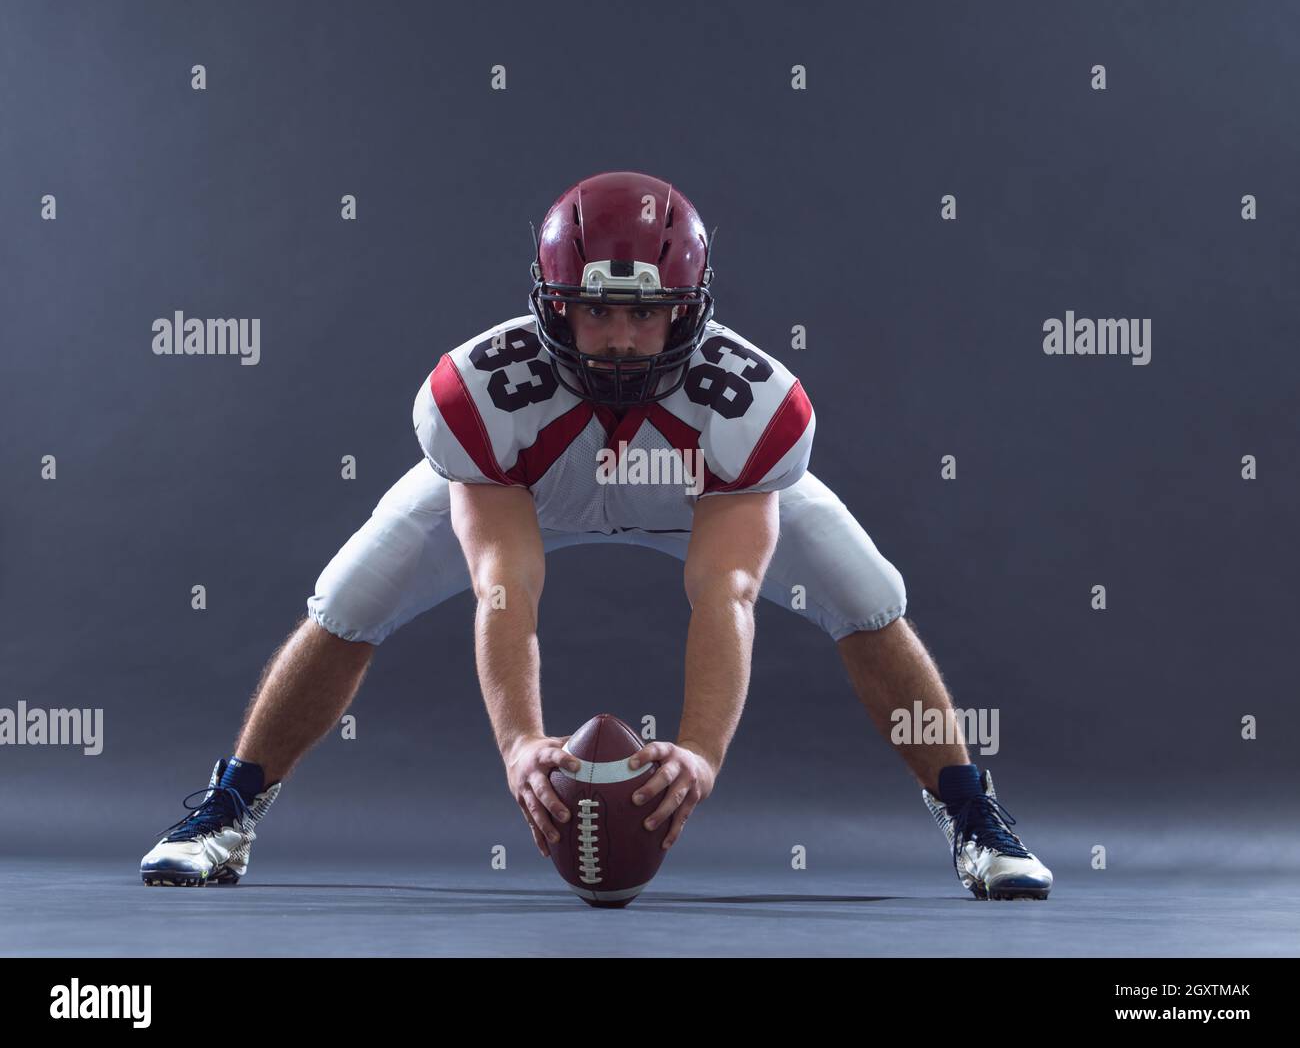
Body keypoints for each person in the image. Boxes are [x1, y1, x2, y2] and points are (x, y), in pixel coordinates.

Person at [141, 171, 1052, 901]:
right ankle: (227, 810)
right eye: (598, 310)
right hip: (531, 490)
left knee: (867, 593)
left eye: (643, 311)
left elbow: (724, 591)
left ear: (687, 308)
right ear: (553, 304)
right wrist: (521, 745)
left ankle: (975, 817)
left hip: (700, 495)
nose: (620, 339)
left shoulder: (751, 410)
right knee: (348, 596)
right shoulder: (482, 400)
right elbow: (506, 580)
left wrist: (697, 749)